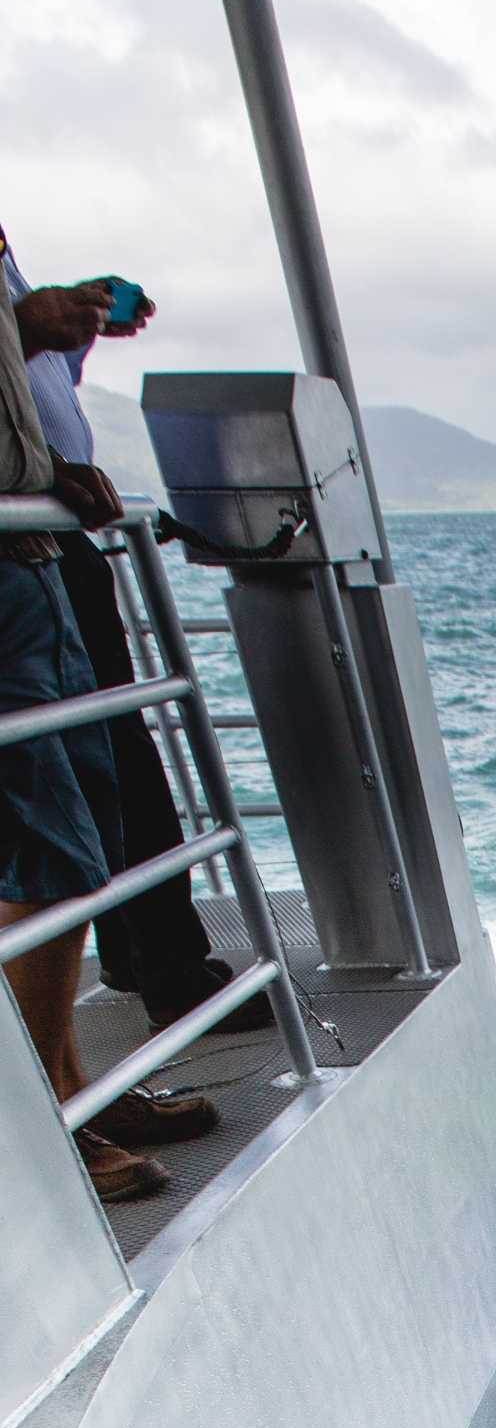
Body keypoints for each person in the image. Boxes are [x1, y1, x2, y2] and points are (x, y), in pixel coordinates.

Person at [5, 238, 255, 1037]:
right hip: (26, 546)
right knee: (86, 785)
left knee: (95, 780)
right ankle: (164, 973)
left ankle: (133, 962)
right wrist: (29, 325)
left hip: (48, 536)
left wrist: (57, 337)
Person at [0, 234, 186, 1203]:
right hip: (7, 564)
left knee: (88, 831)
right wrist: (25, 323)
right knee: (50, 851)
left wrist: (54, 351)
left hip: (33, 558)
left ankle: (72, 1085)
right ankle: (43, 1134)